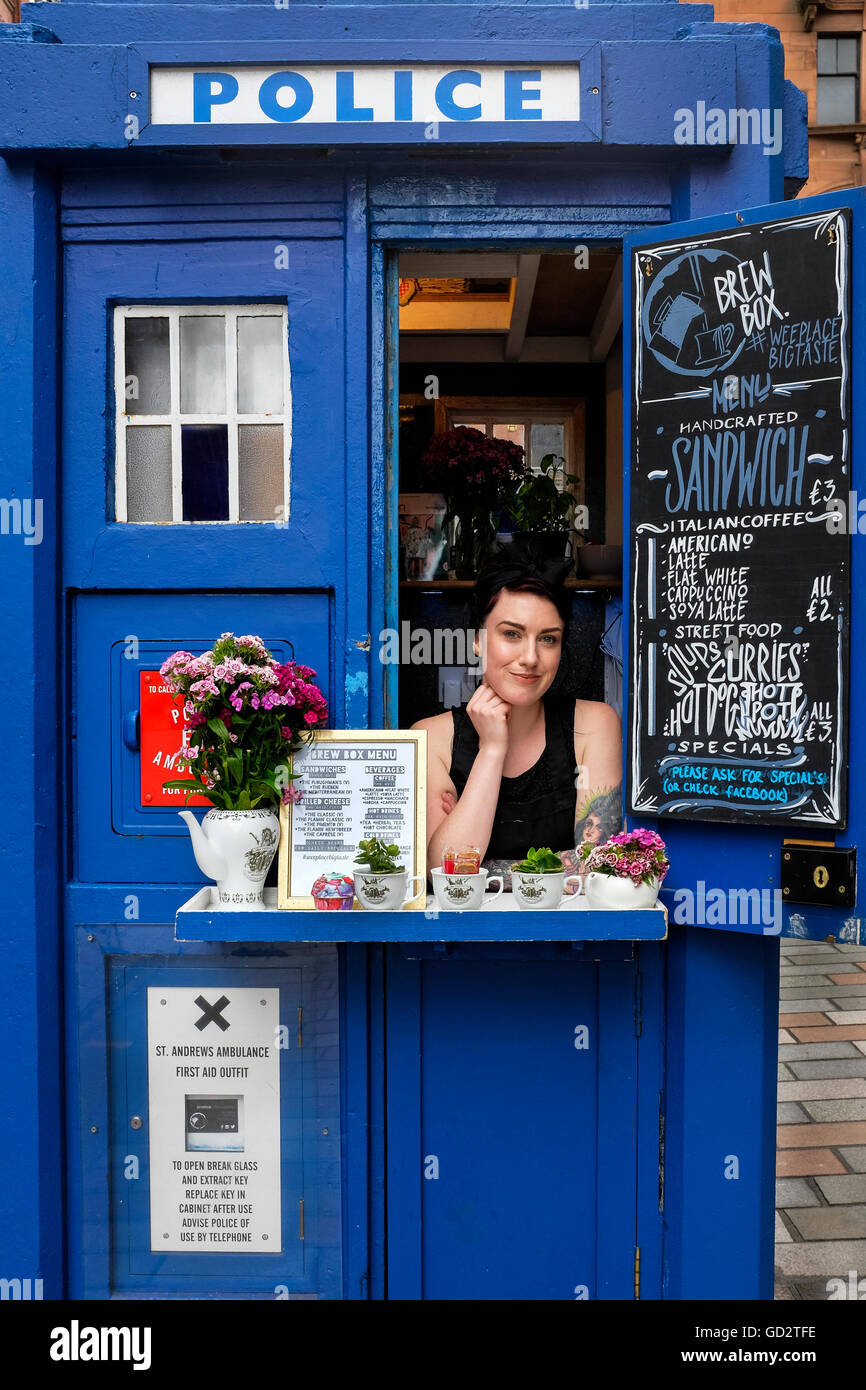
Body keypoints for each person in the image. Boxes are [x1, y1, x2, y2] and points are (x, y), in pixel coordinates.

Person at [411, 540, 622, 889]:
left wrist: (486, 867)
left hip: (570, 937)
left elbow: (599, 868)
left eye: (548, 639)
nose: (530, 657)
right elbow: (446, 876)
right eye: (512, 634)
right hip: (456, 940)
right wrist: (492, 749)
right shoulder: (431, 738)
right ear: (478, 640)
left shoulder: (594, 725)